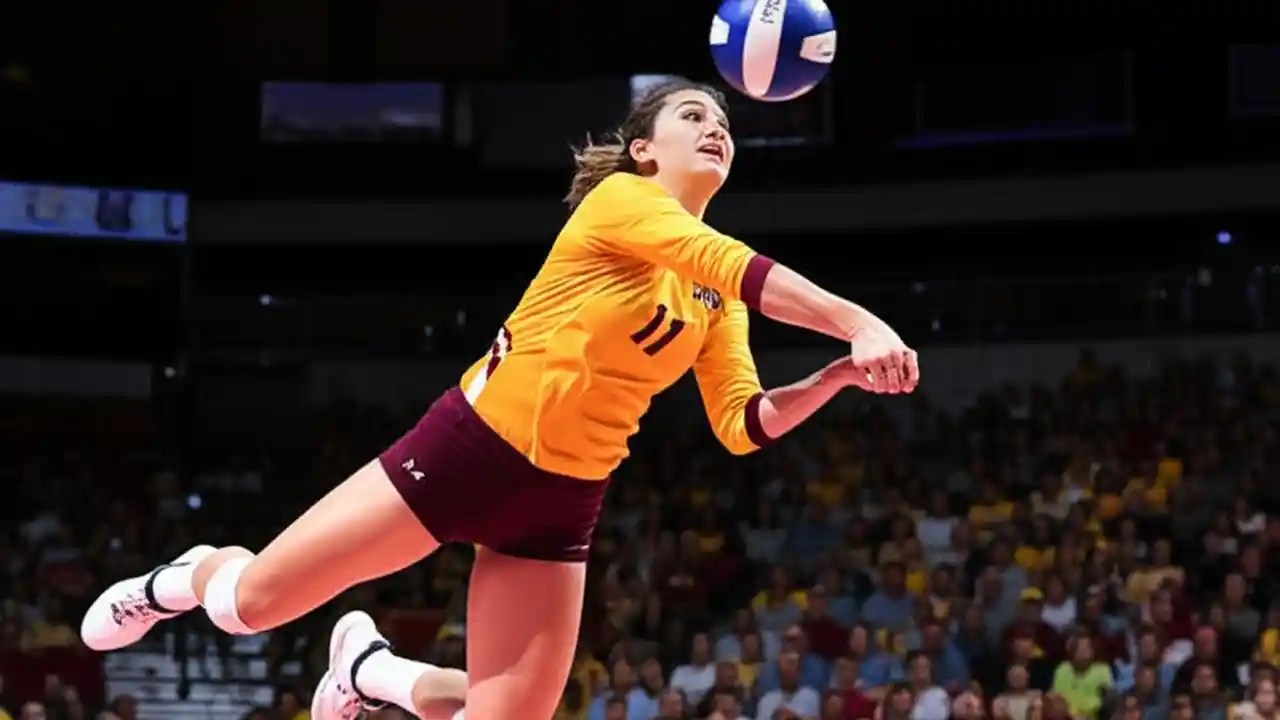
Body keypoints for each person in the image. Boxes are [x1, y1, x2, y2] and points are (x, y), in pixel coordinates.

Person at [78, 77, 918, 720]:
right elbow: (741, 264)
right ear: (642, 151)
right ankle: (181, 579)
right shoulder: (621, 205)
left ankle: (374, 674)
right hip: (466, 452)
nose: (716, 128)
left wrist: (838, 374)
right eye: (693, 116)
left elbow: (743, 426)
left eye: (725, 124)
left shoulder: (716, 299)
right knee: (248, 607)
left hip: (562, 503)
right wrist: (859, 323)